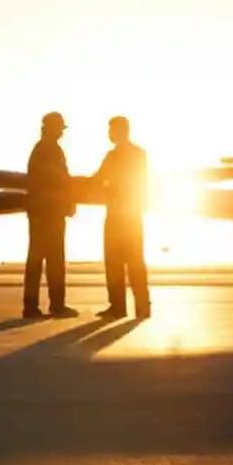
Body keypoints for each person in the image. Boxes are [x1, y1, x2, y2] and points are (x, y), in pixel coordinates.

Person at [85, 115, 150, 319]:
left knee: (116, 262)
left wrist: (76, 186)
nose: (110, 134)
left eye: (112, 130)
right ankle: (141, 308)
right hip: (132, 214)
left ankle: (118, 307)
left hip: (118, 214)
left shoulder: (114, 156)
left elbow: (98, 179)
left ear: (122, 131)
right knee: (134, 262)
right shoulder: (139, 154)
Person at [23, 111, 78, 319]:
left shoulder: (44, 149)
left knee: (41, 258)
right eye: (60, 129)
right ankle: (50, 305)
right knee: (48, 258)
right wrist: (69, 200)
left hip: (43, 211)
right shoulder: (48, 150)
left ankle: (38, 305)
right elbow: (58, 179)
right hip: (47, 212)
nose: (62, 133)